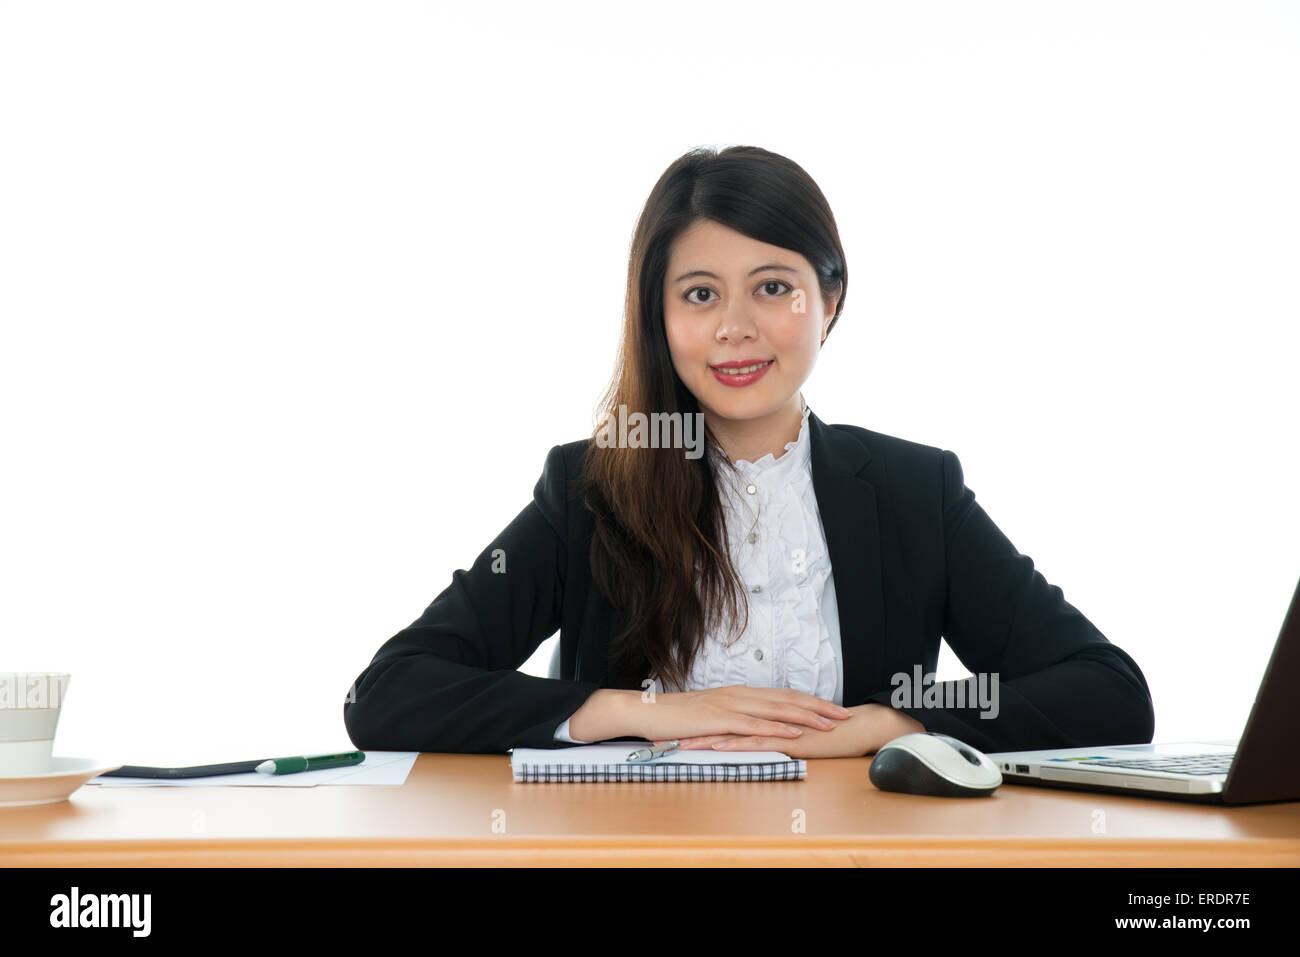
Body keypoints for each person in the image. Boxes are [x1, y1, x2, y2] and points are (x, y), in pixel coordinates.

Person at [342, 145, 1155, 757]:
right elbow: (389, 692)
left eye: (773, 286)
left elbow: (1108, 691)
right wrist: (642, 710)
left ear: (829, 301)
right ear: (658, 314)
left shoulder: (916, 491)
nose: (735, 326)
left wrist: (895, 723)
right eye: (700, 294)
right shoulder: (591, 487)